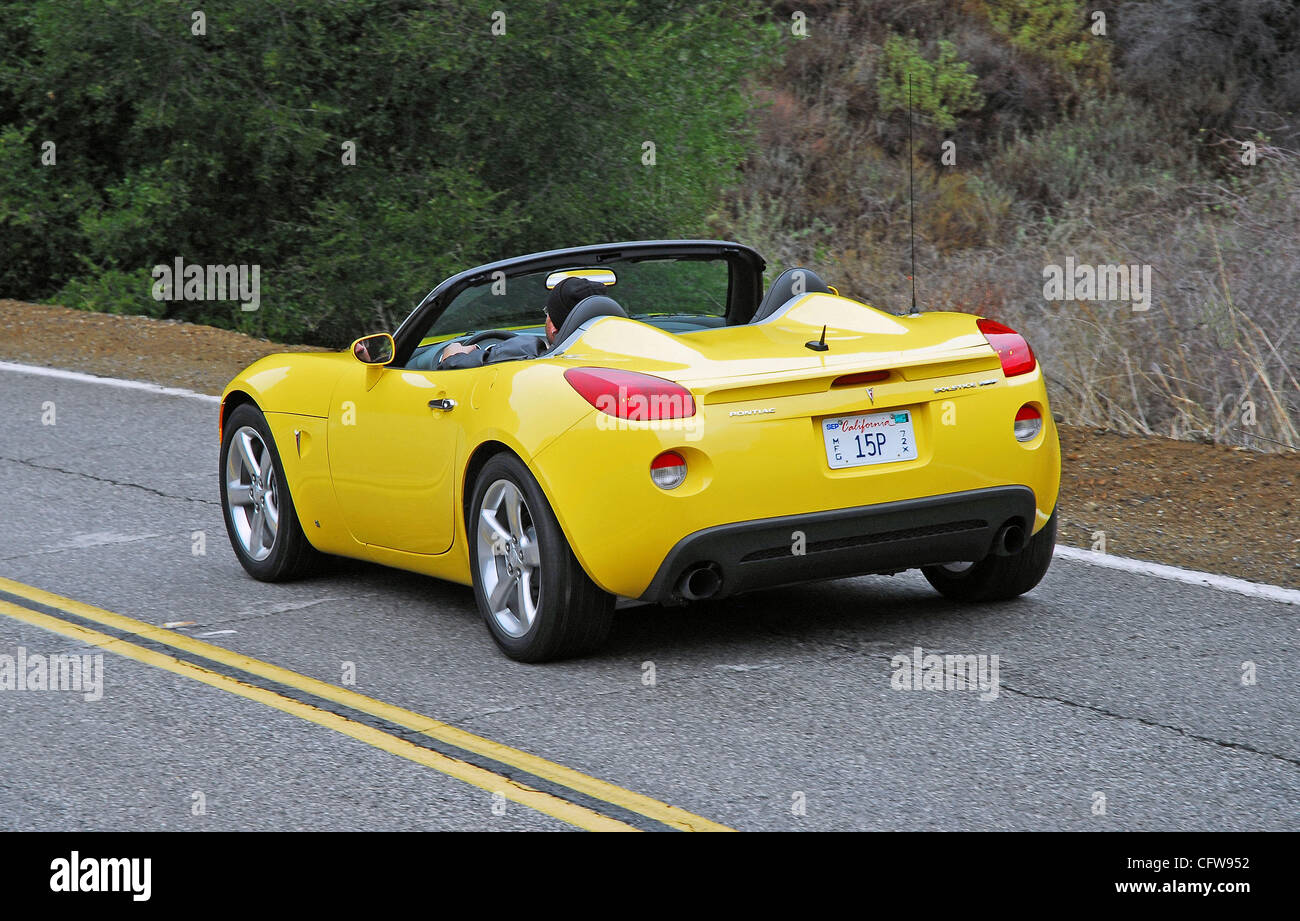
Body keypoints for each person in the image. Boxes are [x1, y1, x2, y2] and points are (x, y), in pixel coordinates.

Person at [437, 276, 607, 369]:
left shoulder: (527, 352)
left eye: (548, 313)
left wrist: (453, 354)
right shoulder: (626, 348)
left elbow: (454, 366)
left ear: (554, 327)